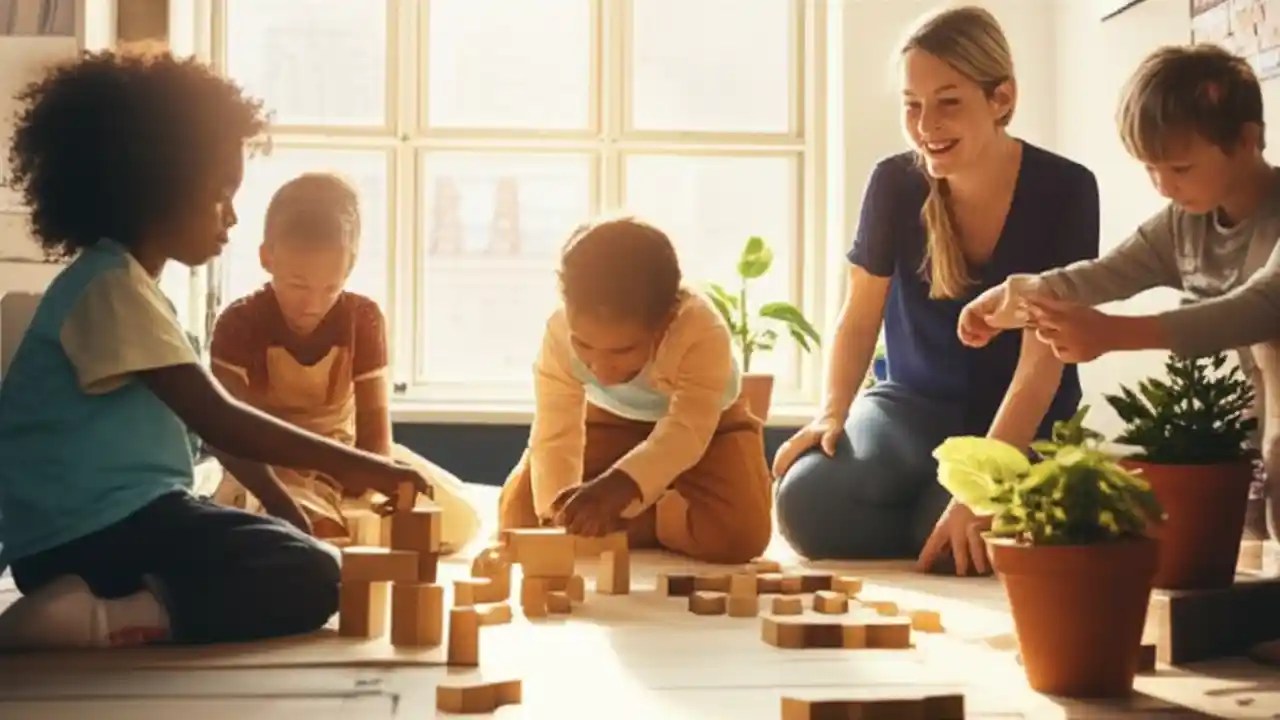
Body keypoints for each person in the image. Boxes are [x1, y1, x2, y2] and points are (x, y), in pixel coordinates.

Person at [0, 50, 430, 650]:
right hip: (91, 534)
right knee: (317, 574)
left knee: (298, 554)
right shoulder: (109, 290)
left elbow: (211, 430)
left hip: (100, 530)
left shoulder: (130, 290)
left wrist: (280, 502)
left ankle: (108, 607)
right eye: (219, 195)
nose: (231, 217)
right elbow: (221, 417)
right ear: (157, 191)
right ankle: (101, 622)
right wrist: (364, 467)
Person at [956, 44, 1280, 662]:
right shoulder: (1183, 223)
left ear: (1247, 141)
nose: (1163, 185)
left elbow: (1258, 307)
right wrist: (1017, 296)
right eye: (1151, 168)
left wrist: (1113, 334)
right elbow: (1105, 274)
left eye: (1179, 167)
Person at [770, 5, 1099, 574]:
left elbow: (1041, 365)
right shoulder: (893, 183)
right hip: (908, 410)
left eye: (948, 102)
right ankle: (932, 516)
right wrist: (831, 412)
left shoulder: (1068, 189)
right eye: (912, 105)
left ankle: (937, 513)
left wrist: (982, 484)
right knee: (803, 502)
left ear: (1001, 99)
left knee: (979, 530)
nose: (926, 125)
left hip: (1021, 419)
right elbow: (859, 314)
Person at [208, 172, 482, 553]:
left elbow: (375, 436)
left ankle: (337, 516)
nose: (312, 304)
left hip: (347, 457)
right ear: (267, 257)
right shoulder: (239, 324)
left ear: (350, 265)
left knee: (458, 519)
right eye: (298, 285)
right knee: (298, 527)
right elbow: (234, 435)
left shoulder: (362, 319)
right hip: (269, 464)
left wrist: (368, 481)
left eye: (330, 288)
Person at [496, 216, 772, 564]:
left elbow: (686, 432)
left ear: (664, 323)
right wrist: (556, 516)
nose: (601, 368)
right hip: (608, 419)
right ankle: (635, 515)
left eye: (622, 351)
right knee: (519, 520)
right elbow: (556, 431)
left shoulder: (702, 330)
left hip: (708, 427)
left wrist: (624, 484)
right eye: (585, 346)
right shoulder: (559, 333)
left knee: (740, 535)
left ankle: (648, 514)